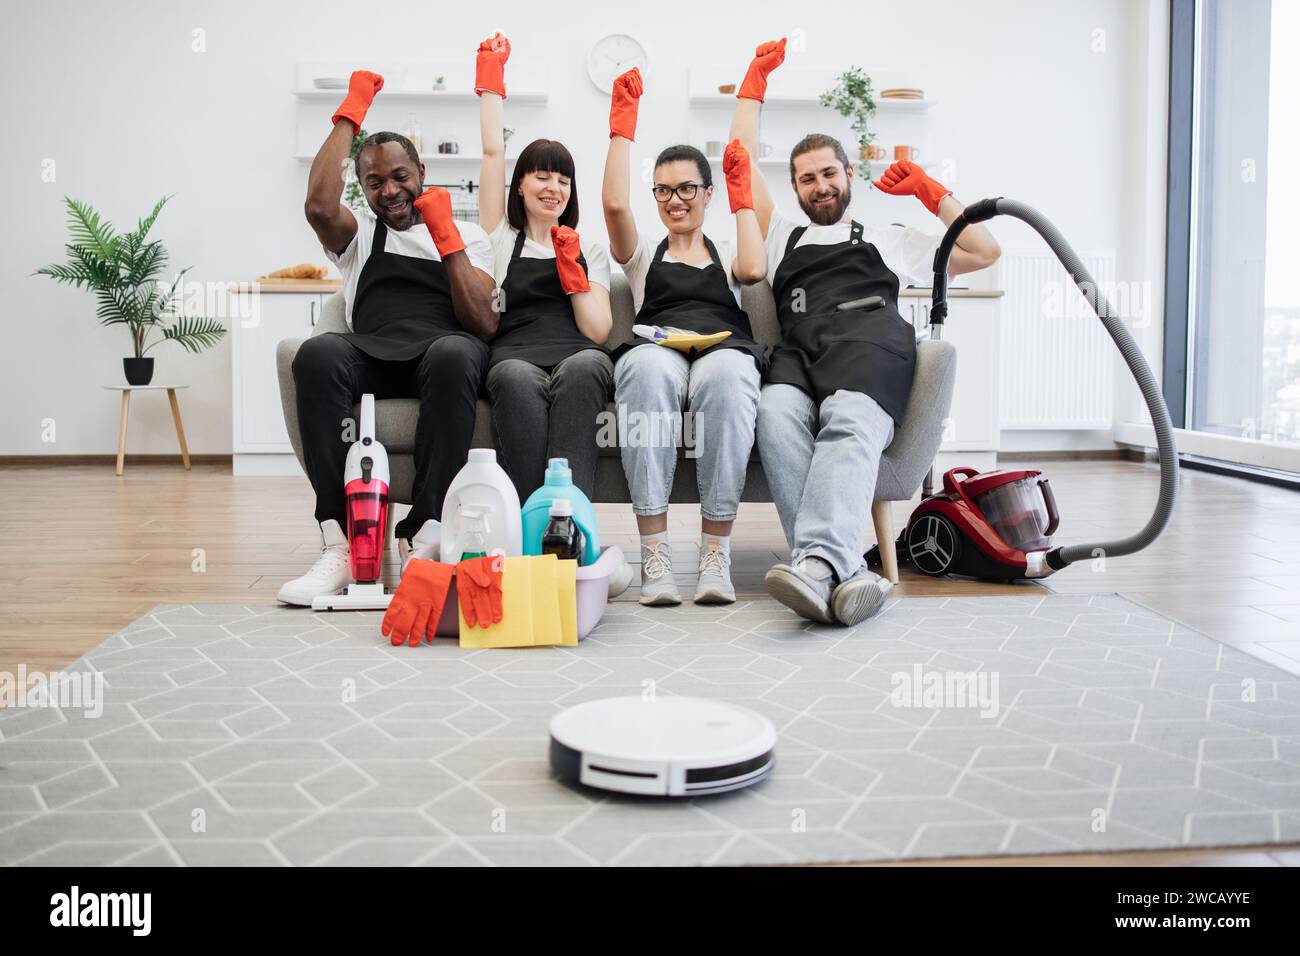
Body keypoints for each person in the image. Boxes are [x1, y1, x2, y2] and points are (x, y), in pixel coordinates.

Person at [729, 39, 1002, 626]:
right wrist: (752, 86)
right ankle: (846, 571)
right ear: (795, 188)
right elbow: (739, 157)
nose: (819, 185)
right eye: (806, 179)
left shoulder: (889, 234)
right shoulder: (780, 236)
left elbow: (984, 250)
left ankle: (816, 562)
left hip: (869, 348)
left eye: (828, 173)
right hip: (799, 357)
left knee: (851, 421)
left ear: (848, 175)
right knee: (774, 415)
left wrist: (932, 191)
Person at [280, 69, 497, 606]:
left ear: (422, 171)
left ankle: (422, 535)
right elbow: (318, 208)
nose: (390, 191)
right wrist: (351, 112)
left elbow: (482, 321)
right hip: (372, 352)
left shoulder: (469, 234)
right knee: (317, 352)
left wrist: (446, 236)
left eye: (400, 176)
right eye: (374, 183)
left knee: (455, 351)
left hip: (441, 351)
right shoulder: (359, 238)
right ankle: (340, 542)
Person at [601, 67, 767, 606]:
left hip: (724, 348)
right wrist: (621, 126)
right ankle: (656, 556)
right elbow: (614, 207)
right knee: (644, 372)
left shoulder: (726, 244)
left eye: (687, 188)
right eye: (664, 190)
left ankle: (715, 553)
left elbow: (753, 271)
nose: (676, 199)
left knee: (727, 378)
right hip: (658, 346)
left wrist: (743, 198)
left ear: (707, 192)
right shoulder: (645, 255)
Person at [474, 33, 615, 504]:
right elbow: (493, 153)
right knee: (513, 378)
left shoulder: (588, 248)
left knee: (590, 366)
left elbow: (597, 331)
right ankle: (532, 526)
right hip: (513, 357)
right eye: (541, 175)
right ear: (520, 186)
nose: (553, 187)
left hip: (576, 354)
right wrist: (491, 78)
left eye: (563, 179)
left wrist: (569, 263)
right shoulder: (498, 238)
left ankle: (568, 520)